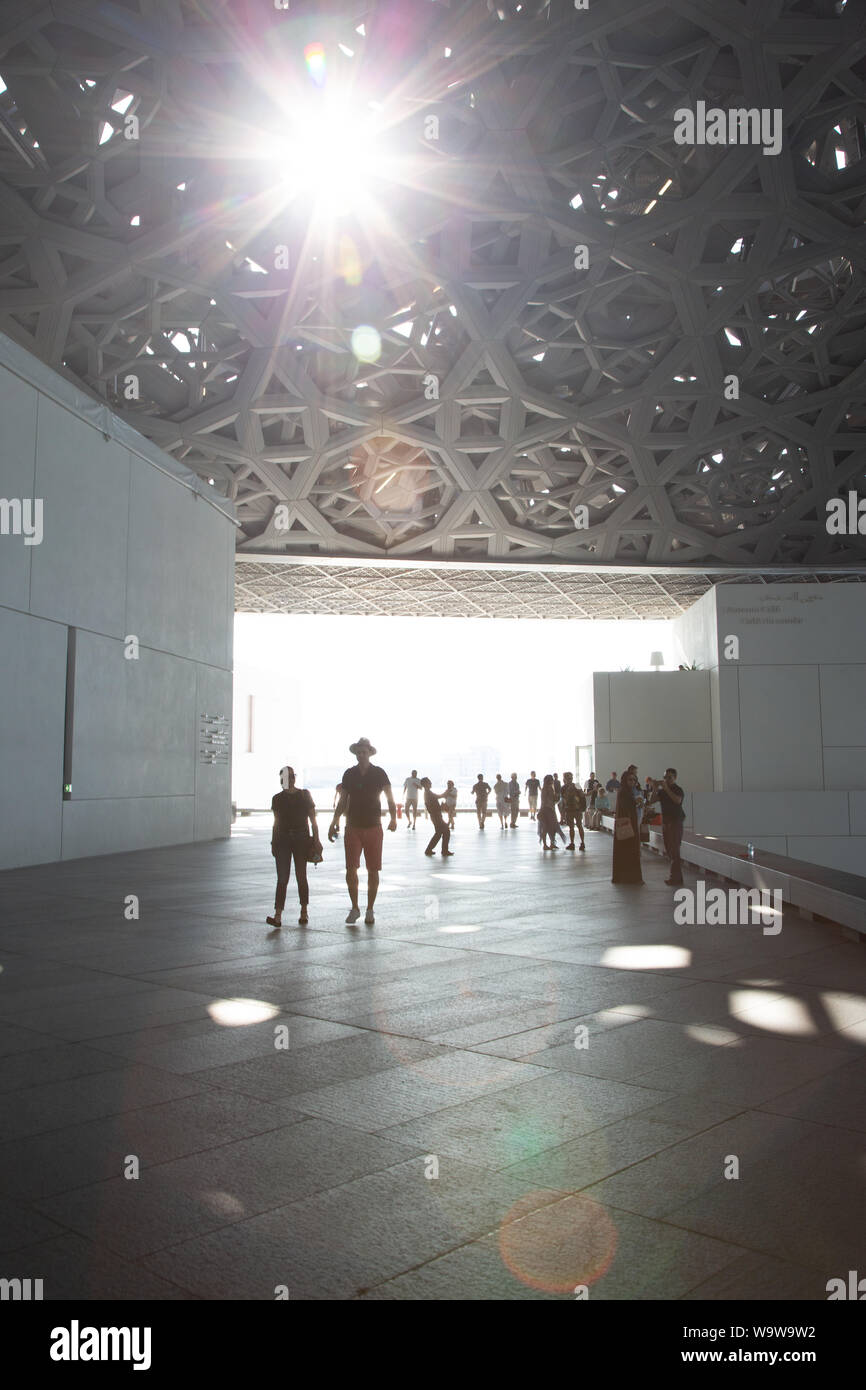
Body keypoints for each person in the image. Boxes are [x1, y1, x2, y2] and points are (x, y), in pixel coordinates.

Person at [329, 737, 396, 926]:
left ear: (369, 752)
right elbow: (343, 800)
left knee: (373, 870)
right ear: (356, 753)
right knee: (351, 869)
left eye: (364, 751)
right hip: (353, 826)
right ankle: (355, 907)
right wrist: (335, 820)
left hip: (374, 826)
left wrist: (393, 818)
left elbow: (390, 797)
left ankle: (370, 909)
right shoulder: (349, 774)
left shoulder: (379, 773)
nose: (361, 754)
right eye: (358, 752)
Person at [267, 766, 319, 928]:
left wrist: (316, 840)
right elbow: (276, 822)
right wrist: (274, 842)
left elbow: (313, 820)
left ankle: (303, 911)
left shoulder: (304, 795)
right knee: (282, 878)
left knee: (300, 875)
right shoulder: (277, 798)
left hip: (301, 838)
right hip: (282, 838)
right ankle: (278, 914)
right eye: (286, 777)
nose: (289, 780)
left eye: (291, 776)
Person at [647, 768, 686, 886]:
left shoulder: (677, 789)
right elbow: (651, 800)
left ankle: (674, 877)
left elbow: (677, 800)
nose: (666, 779)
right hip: (666, 822)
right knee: (669, 849)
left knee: (674, 850)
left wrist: (666, 788)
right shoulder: (663, 791)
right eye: (665, 777)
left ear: (675, 778)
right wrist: (655, 788)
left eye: (669, 777)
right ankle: (678, 877)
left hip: (675, 821)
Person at [612, 770, 644, 884]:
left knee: (630, 851)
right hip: (626, 825)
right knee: (628, 851)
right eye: (630, 780)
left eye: (634, 780)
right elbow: (626, 806)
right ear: (625, 780)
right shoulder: (624, 791)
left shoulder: (628, 791)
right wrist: (635, 801)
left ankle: (629, 877)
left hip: (629, 824)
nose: (633, 782)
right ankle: (630, 878)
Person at [421, 778, 454, 857]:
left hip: (435, 815)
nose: (431, 783)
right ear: (426, 784)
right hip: (436, 816)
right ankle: (443, 850)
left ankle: (429, 849)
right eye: (429, 782)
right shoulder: (428, 793)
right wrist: (447, 791)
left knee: (439, 833)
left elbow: (435, 801)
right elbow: (440, 796)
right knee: (446, 831)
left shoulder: (428, 793)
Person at [538, 774, 566, 849]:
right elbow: (553, 799)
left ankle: (548, 843)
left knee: (547, 827)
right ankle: (549, 844)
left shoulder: (545, 788)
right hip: (548, 810)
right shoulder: (549, 788)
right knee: (549, 827)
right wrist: (558, 796)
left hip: (546, 809)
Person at [562, 771, 586, 851]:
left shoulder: (564, 787)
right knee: (575, 827)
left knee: (575, 826)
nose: (570, 779)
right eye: (568, 778)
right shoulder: (575, 785)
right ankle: (579, 843)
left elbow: (563, 800)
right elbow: (582, 795)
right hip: (573, 809)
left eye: (570, 778)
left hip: (573, 809)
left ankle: (576, 843)